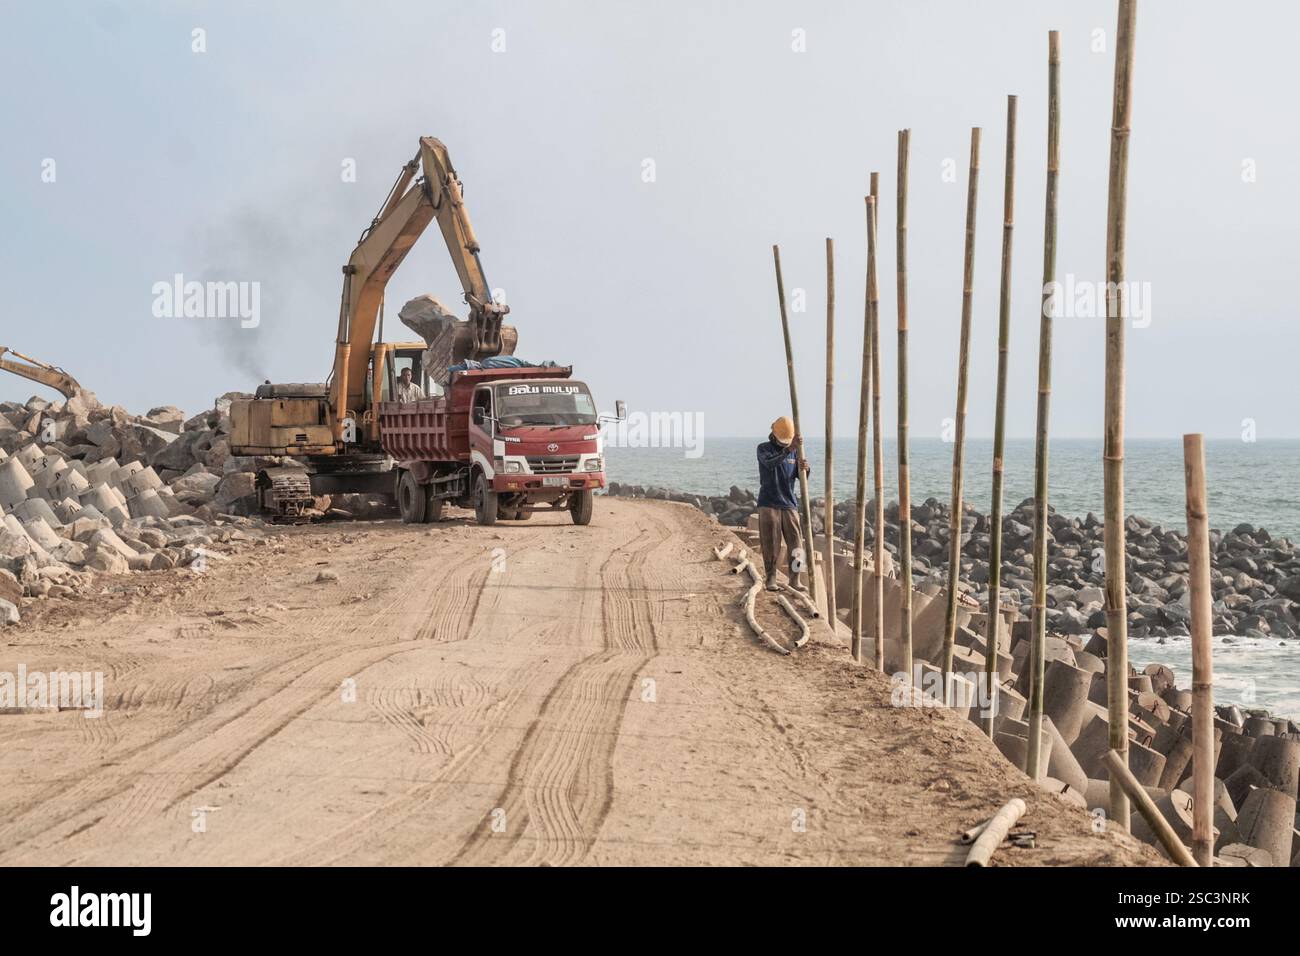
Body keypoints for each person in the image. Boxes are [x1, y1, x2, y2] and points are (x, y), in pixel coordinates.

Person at [756, 415, 810, 592]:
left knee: (797, 545)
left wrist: (805, 469)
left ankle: (795, 579)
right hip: (769, 502)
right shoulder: (764, 449)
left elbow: (799, 477)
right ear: (773, 434)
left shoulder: (795, 451)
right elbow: (770, 464)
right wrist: (788, 451)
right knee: (771, 544)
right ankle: (770, 578)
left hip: (789, 503)